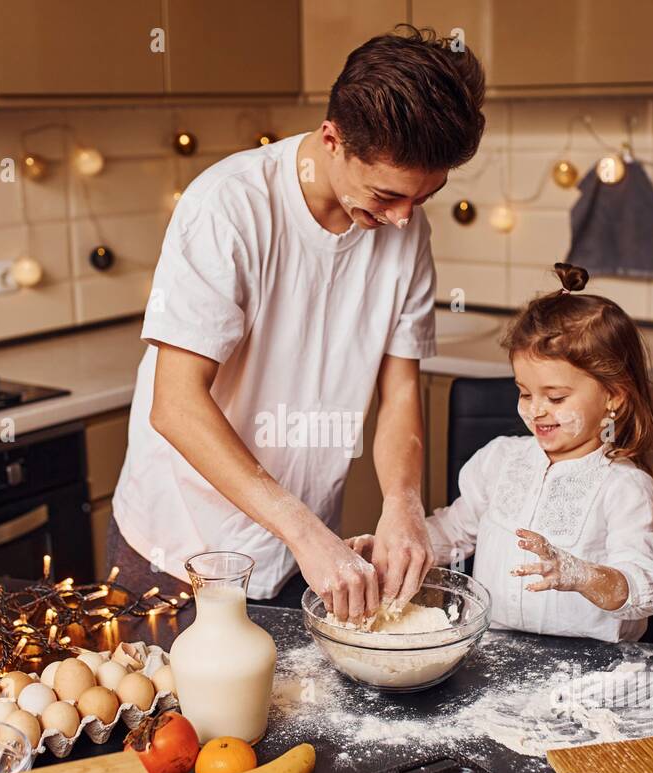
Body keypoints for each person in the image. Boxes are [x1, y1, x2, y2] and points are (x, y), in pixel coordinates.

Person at [109, 27, 486, 621]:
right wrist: (306, 533)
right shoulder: (229, 207)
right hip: (180, 552)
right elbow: (175, 405)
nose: (402, 219)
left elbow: (400, 391)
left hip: (301, 550)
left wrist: (404, 504)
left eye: (424, 197)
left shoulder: (405, 228)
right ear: (333, 140)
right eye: (387, 195)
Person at [351, 263, 653, 641]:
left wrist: (578, 574)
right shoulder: (499, 459)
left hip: (591, 668)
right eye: (524, 393)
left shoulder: (625, 488)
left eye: (555, 397)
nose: (536, 410)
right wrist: (393, 547)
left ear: (614, 396)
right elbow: (453, 532)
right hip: (494, 649)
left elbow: (647, 588)